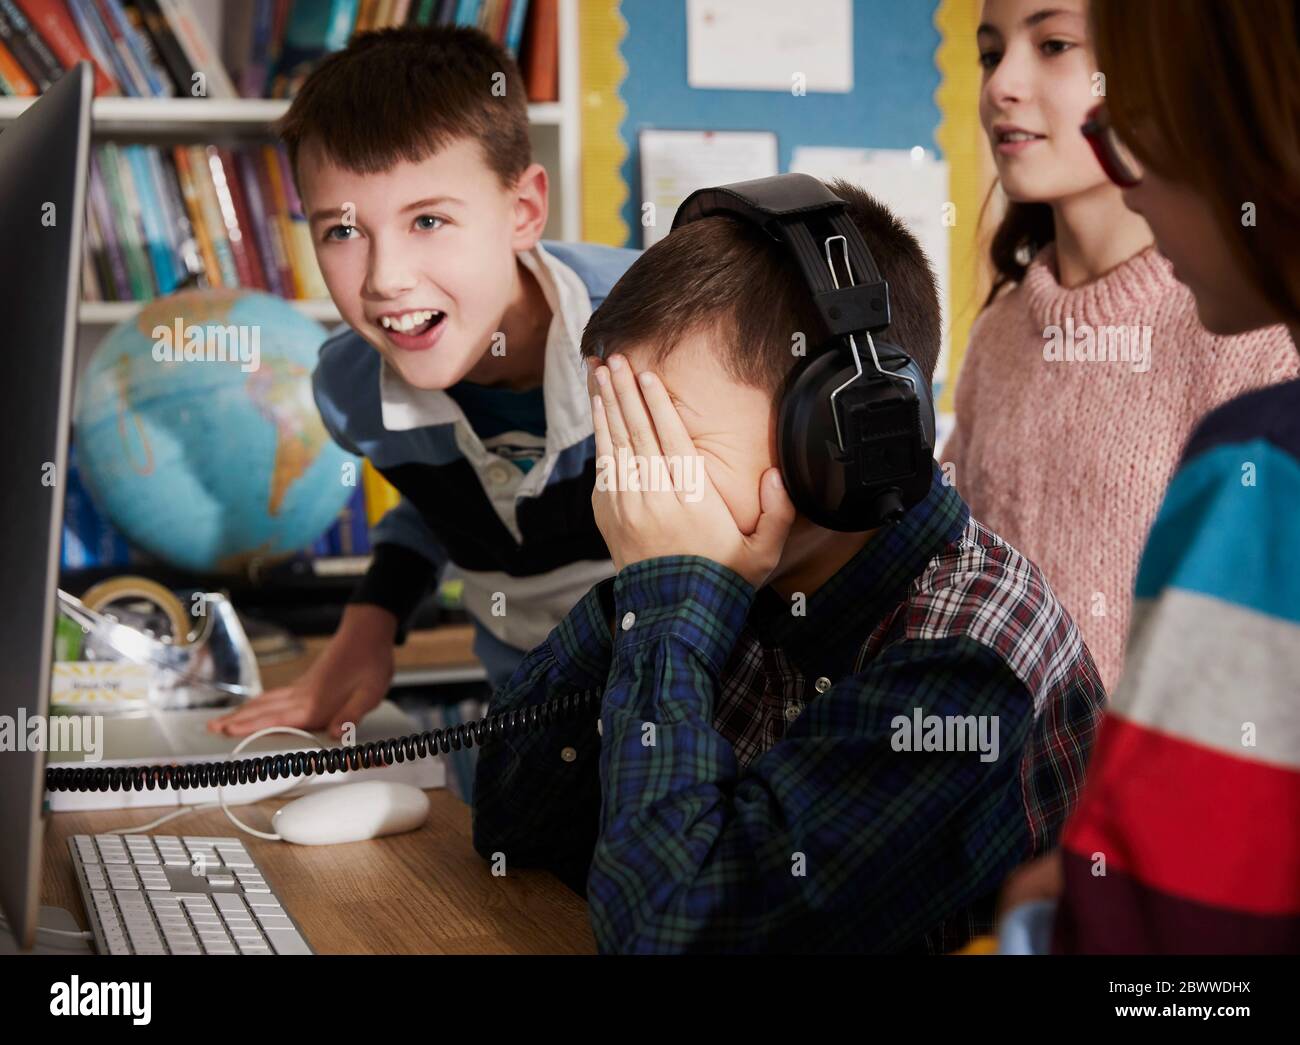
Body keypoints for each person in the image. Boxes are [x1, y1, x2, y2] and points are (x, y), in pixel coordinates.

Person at [471, 177, 1105, 953]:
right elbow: (513, 821)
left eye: (665, 438)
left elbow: (673, 935)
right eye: (622, 435)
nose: (627, 485)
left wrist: (669, 598)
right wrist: (644, 597)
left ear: (843, 434)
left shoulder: (963, 673)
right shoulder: (745, 572)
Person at [210, 26, 637, 739]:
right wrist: (368, 627)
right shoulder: (352, 391)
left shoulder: (664, 331)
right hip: (531, 733)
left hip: (694, 732)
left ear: (524, 211)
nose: (384, 279)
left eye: (429, 220)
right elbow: (446, 501)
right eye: (342, 232)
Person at [997, 0, 1300, 954]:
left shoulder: (1260, 455)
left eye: (1136, 132)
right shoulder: (999, 328)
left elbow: (1176, 953)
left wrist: (1051, 913)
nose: (1130, 185)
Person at [941, 0, 1297, 693]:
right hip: (993, 792)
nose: (1000, 85)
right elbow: (954, 574)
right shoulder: (996, 336)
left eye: (1053, 45)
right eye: (989, 54)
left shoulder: (1250, 328)